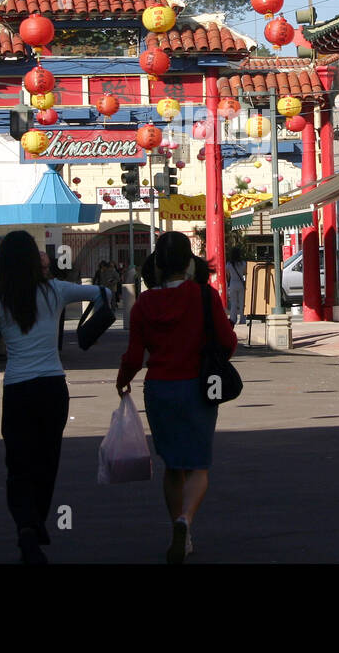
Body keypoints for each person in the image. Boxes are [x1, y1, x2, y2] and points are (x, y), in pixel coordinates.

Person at [0, 230, 110, 564]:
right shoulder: (55, 291)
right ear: (33, 260)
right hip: (53, 389)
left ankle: (27, 528)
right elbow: (102, 292)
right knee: (47, 462)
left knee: (18, 466)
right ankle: (36, 523)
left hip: (18, 392)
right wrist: (90, 330)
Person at [116, 232, 238, 564]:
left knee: (173, 466)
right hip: (199, 386)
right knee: (198, 464)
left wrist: (123, 381)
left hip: (159, 388)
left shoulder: (144, 304)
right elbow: (228, 341)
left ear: (156, 263)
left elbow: (133, 355)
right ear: (188, 263)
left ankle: (178, 530)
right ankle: (186, 520)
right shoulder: (204, 296)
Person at [225, 250, 247, 327]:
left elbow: (227, 274)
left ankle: (233, 319)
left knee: (233, 303)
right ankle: (242, 319)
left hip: (233, 283)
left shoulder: (229, 264)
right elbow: (245, 272)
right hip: (241, 283)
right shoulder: (243, 263)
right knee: (242, 303)